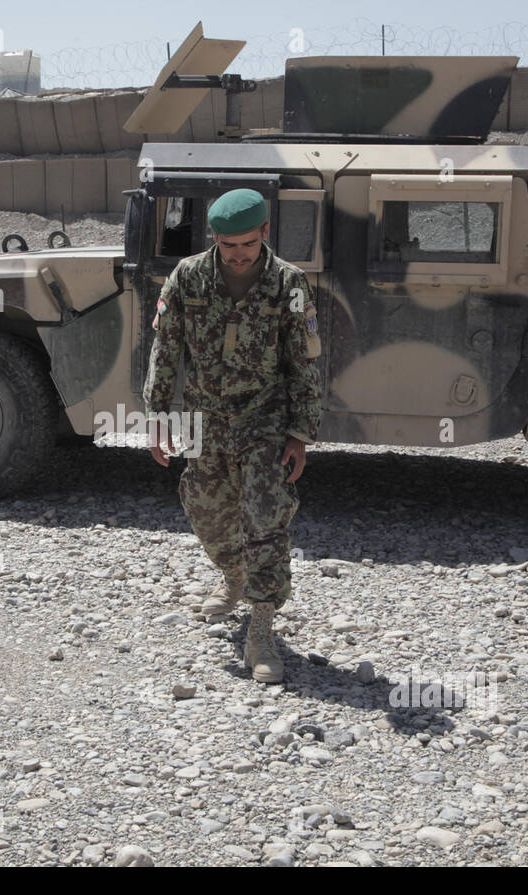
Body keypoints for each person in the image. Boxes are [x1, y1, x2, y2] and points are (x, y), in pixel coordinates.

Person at [143, 188, 322, 683]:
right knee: (204, 509)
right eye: (228, 245)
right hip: (204, 418)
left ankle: (260, 630)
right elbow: (166, 349)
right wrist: (157, 415)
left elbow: (303, 361)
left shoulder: (289, 283)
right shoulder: (188, 276)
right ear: (214, 240)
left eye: (247, 243)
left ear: (265, 233)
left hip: (263, 417)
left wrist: (300, 433)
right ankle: (234, 574)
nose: (239, 254)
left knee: (264, 517)